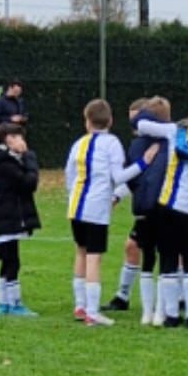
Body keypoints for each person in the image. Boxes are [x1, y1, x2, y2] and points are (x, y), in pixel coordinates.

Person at [131, 103, 188, 328]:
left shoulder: (173, 131)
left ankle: (170, 316)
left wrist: (151, 111)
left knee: (168, 260)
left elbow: (139, 124)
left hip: (166, 205)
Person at [65, 99, 143, 327]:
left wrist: (73, 196)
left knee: (80, 252)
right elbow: (118, 177)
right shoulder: (111, 143)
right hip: (96, 207)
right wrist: (142, 165)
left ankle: (79, 305)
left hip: (76, 206)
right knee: (94, 257)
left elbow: (70, 175)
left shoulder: (79, 143)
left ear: (86, 121)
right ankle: (92, 311)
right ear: (110, 120)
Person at [103, 97, 168, 321]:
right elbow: (133, 177)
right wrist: (116, 196)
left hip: (165, 208)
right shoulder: (139, 146)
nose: (134, 128)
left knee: (173, 254)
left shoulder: (167, 142)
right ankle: (122, 296)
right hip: (145, 207)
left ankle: (174, 299)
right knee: (133, 246)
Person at [0, 122, 41, 317]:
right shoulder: (7, 164)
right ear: (7, 142)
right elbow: (28, 183)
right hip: (5, 219)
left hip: (4, 217)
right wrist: (30, 159)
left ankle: (4, 303)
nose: (21, 141)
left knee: (7, 261)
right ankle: (14, 303)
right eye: (16, 137)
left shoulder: (7, 161)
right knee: (11, 261)